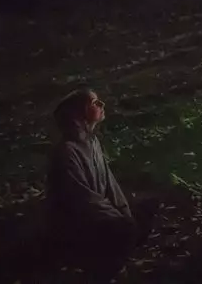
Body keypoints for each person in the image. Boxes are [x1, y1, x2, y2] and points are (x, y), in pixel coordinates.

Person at [44, 87, 153, 281]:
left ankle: (117, 260)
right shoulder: (67, 151)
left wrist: (123, 211)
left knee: (144, 212)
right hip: (79, 222)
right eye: (94, 103)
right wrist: (117, 218)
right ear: (80, 112)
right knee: (123, 228)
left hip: (98, 212)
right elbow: (80, 198)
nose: (101, 105)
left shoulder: (93, 144)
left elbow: (110, 185)